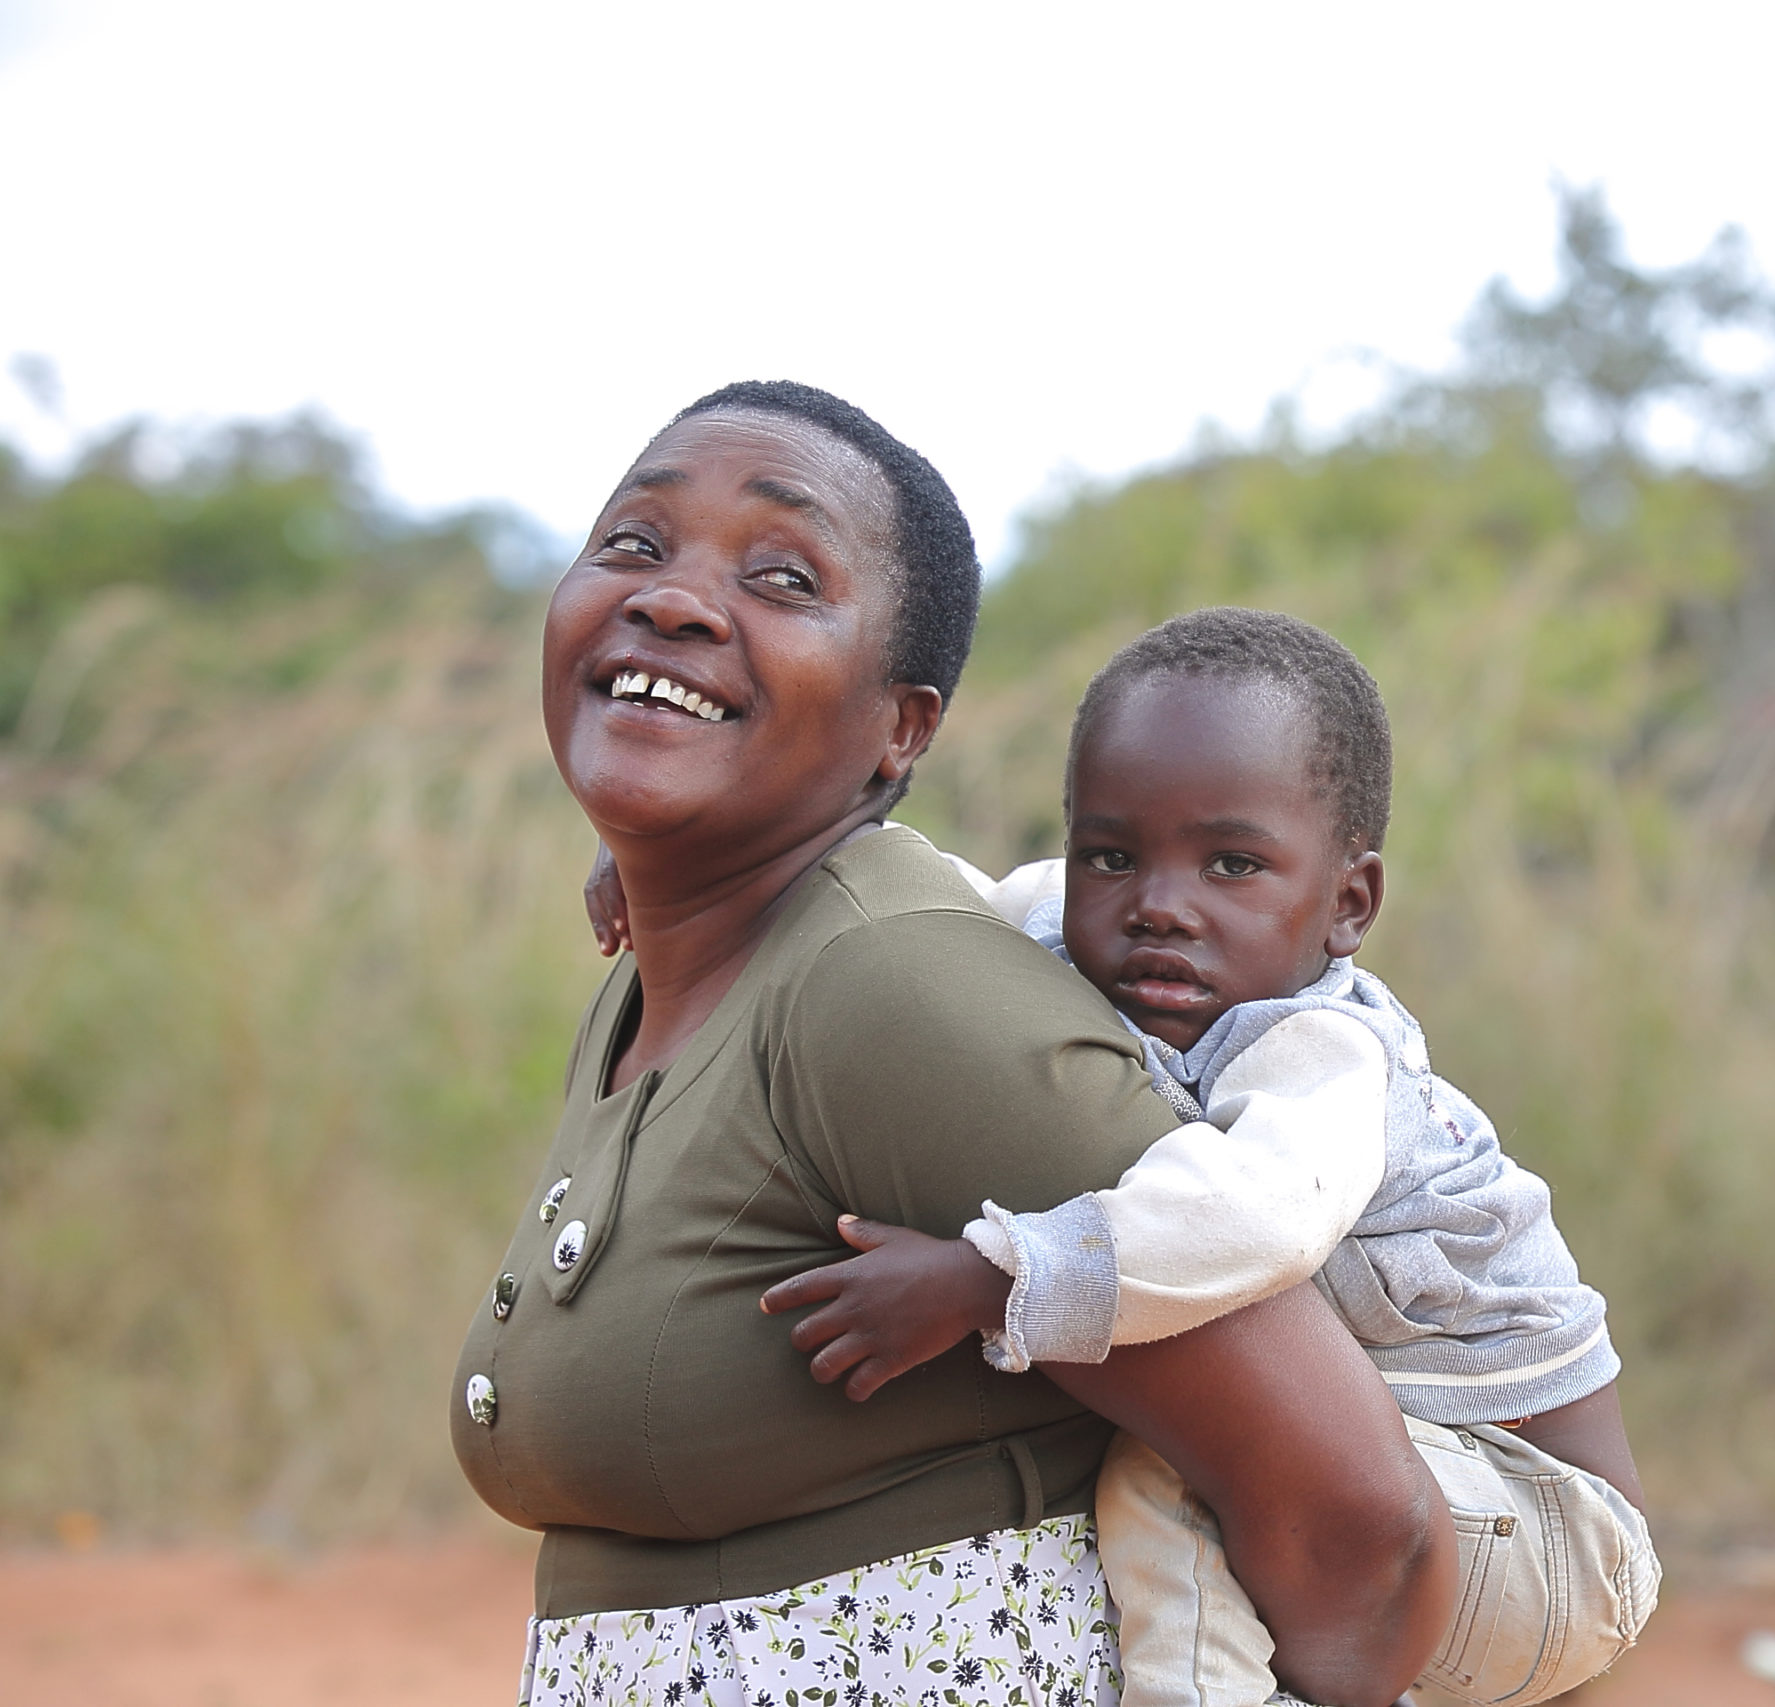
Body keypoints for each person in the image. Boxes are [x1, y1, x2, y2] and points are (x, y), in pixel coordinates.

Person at [450, 382, 1456, 1707]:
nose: (677, 599)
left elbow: (1359, 1525)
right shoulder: (679, 959)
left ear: (901, 728)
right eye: (635, 544)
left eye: (781, 573)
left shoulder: (890, 988)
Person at [743, 609, 1661, 1707]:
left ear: (1346, 905)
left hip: (1539, 1529)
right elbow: (915, 919)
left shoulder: (1320, 1054)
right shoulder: (1061, 923)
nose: (1161, 906)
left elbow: (1247, 1224)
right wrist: (736, 864)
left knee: (1183, 1462)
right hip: (1428, 1503)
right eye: (1111, 856)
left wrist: (987, 1278)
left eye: (1233, 864)